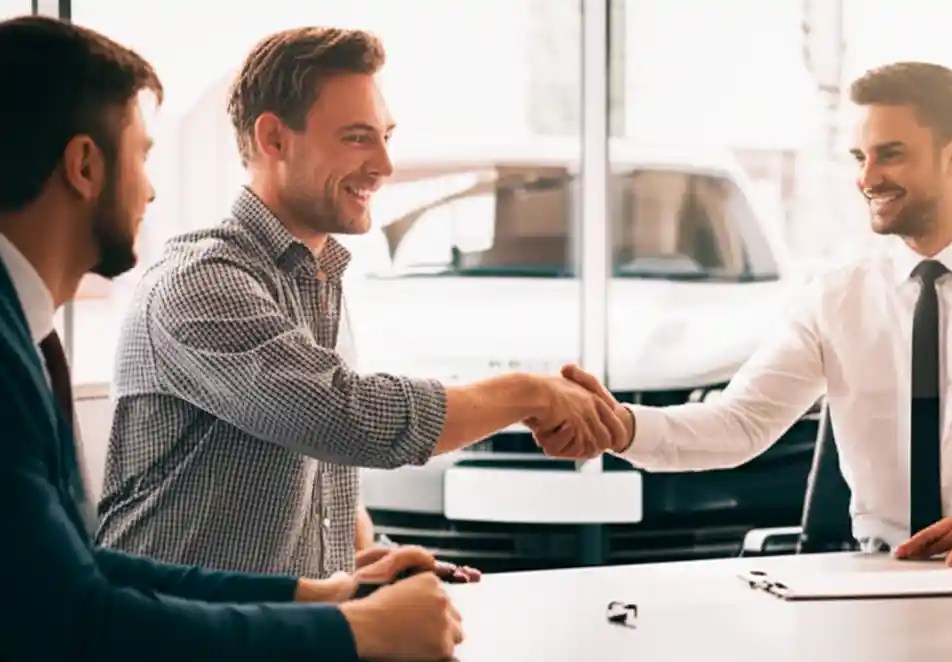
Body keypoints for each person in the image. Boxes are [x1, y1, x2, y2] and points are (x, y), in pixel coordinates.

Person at [546, 61, 952, 662]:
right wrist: (623, 427)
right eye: (860, 155)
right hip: (872, 591)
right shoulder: (836, 295)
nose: (866, 177)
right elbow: (738, 424)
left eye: (890, 154)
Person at [0, 17, 466, 662]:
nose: (153, 191)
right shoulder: (187, 285)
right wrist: (351, 628)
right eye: (144, 155)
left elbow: (77, 572)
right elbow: (78, 627)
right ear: (85, 167)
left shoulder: (22, 331)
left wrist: (326, 593)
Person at [96, 26, 627, 578]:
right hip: (173, 644)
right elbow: (344, 417)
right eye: (356, 138)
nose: (384, 165)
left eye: (385, 136)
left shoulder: (319, 277)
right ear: (274, 139)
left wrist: (364, 564)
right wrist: (527, 392)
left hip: (277, 634)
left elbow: (316, 460)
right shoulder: (202, 282)